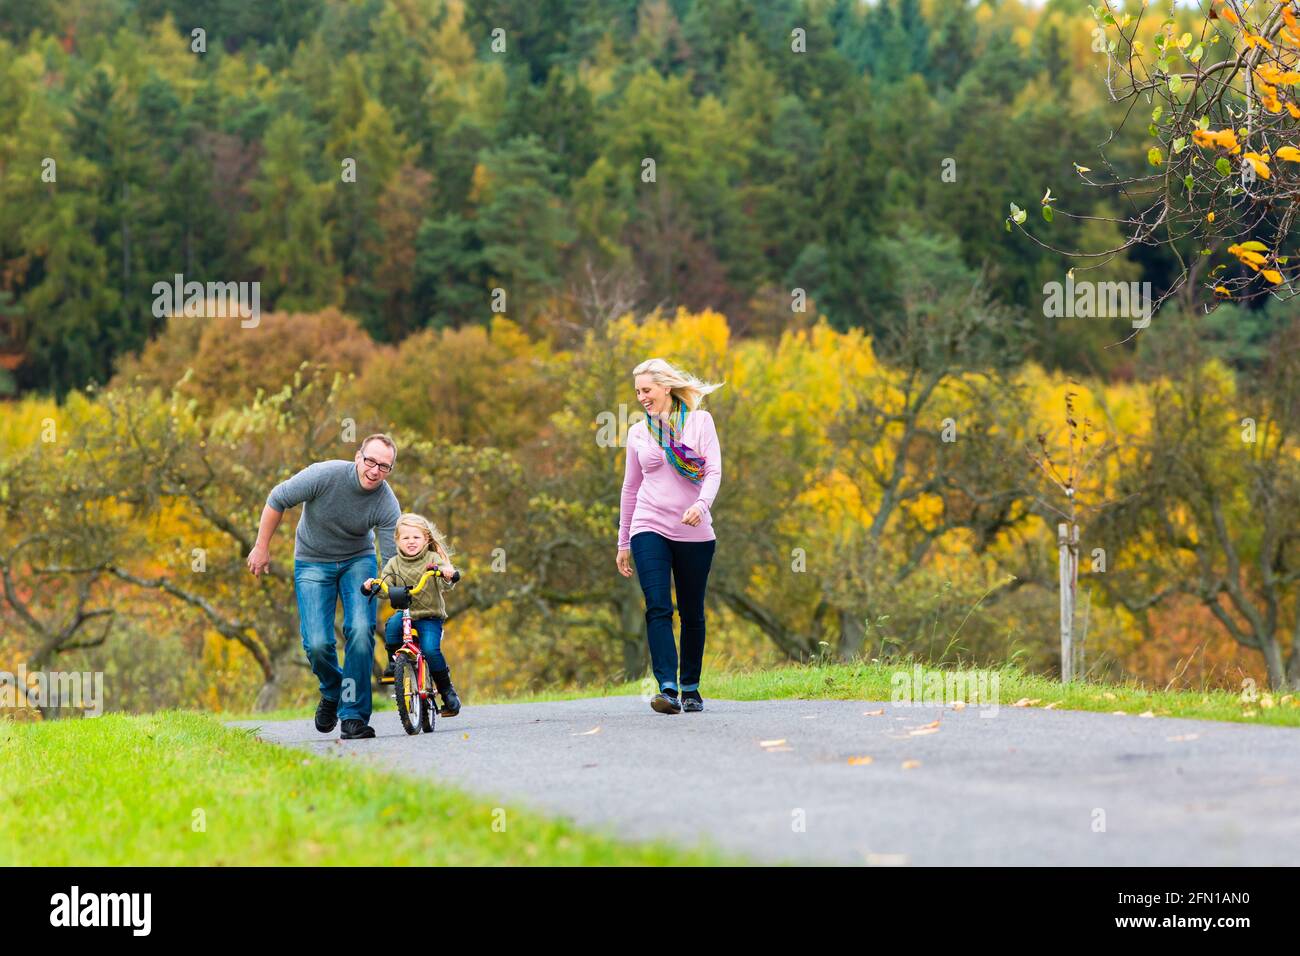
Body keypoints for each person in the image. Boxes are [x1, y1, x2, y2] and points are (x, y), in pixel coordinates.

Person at [246, 434, 401, 739]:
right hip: (312, 560)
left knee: (359, 629)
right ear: (358, 457)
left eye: (384, 466)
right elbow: (277, 499)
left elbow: (392, 559)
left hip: (358, 561)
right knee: (317, 644)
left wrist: (397, 587)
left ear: (390, 470)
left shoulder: (386, 503)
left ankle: (353, 716)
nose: (375, 470)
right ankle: (333, 690)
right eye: (370, 461)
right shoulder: (324, 475)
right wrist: (261, 546)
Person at [615, 358, 724, 714]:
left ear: (666, 387)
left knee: (692, 613)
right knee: (658, 606)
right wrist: (623, 542)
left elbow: (713, 471)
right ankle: (667, 688)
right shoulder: (637, 432)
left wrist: (702, 505)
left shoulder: (699, 422)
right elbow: (631, 488)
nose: (642, 398)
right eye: (637, 392)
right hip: (649, 527)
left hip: (695, 530)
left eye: (646, 390)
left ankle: (690, 687)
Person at [367, 513, 462, 717]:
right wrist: (374, 585)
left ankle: (447, 692)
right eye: (406, 538)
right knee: (392, 627)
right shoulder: (393, 563)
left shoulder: (433, 558)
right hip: (406, 615)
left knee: (430, 649)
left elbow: (446, 582)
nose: (411, 542)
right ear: (397, 541)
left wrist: (447, 574)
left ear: (426, 539)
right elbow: (385, 587)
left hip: (429, 616)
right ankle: (395, 664)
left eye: (416, 537)